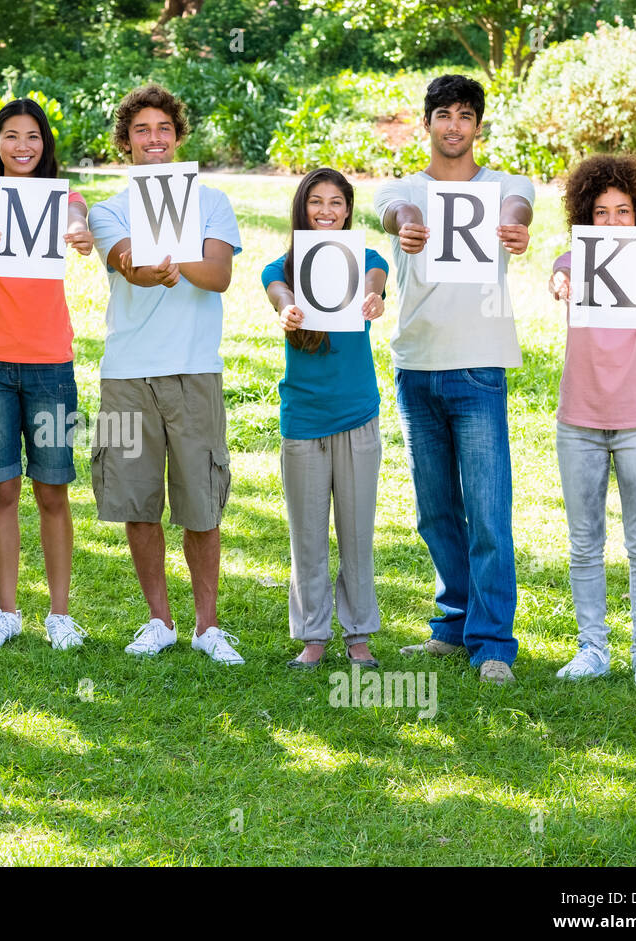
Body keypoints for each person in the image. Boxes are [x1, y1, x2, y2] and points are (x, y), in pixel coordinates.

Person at [375, 74, 534, 684]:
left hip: (477, 365)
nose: (454, 125)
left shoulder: (505, 188)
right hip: (416, 365)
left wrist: (514, 228)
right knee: (436, 510)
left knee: (489, 512)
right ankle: (451, 627)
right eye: (444, 114)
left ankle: (493, 643)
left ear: (478, 126)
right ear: (428, 124)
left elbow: (519, 208)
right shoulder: (403, 188)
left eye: (466, 115)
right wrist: (406, 218)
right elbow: (392, 209)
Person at [87, 84, 244, 664]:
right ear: (126, 143)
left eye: (163, 130)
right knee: (137, 500)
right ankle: (160, 620)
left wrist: (178, 266)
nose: (153, 139)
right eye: (141, 131)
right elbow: (126, 262)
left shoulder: (211, 201)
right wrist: (151, 270)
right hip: (128, 372)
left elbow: (221, 273)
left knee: (200, 503)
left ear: (178, 137)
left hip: (193, 369)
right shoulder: (108, 209)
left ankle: (208, 626)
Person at [0, 99, 94, 649]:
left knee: (53, 489)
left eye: (32, 136)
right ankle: (7, 611)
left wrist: (80, 233)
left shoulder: (66, 200)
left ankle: (59, 614)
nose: (22, 146)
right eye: (11, 136)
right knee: (3, 489)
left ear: (45, 143)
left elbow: (78, 217)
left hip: (51, 368)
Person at [548, 154, 636, 690]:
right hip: (579, 419)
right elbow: (557, 274)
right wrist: (559, 283)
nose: (612, 222)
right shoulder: (571, 264)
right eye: (600, 212)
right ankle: (591, 648)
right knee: (584, 542)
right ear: (585, 215)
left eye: (623, 211)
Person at [261, 168, 388, 671]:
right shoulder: (281, 267)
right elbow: (279, 294)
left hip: (357, 414)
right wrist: (288, 309)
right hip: (303, 417)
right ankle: (313, 635)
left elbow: (377, 279)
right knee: (307, 535)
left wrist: (374, 298)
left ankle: (358, 635)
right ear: (303, 207)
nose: (327, 211)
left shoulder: (368, 260)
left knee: (356, 533)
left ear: (348, 209)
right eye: (317, 201)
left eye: (337, 202)